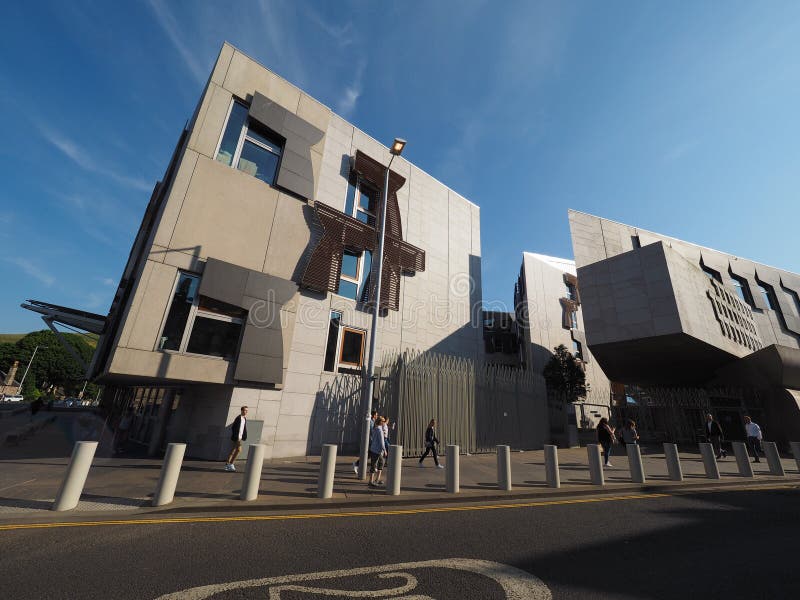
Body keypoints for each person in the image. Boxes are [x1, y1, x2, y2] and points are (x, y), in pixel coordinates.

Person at [354, 410, 379, 475]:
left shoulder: (373, 422)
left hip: (371, 440)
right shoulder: (370, 422)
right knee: (370, 454)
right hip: (370, 441)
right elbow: (371, 431)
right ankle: (357, 464)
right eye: (376, 415)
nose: (377, 416)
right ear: (373, 415)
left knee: (369, 455)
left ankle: (373, 466)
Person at [225, 406, 248, 471]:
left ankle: (227, 465)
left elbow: (243, 428)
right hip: (237, 438)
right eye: (245, 410)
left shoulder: (244, 418)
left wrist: (244, 436)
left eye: (247, 411)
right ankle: (231, 464)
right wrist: (236, 437)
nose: (246, 412)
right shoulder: (238, 418)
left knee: (233, 450)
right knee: (239, 450)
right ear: (242, 411)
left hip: (240, 438)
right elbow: (234, 428)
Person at [368, 416, 387, 487]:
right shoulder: (379, 430)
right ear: (381, 422)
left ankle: (377, 479)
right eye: (383, 421)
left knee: (381, 463)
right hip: (377, 450)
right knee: (374, 465)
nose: (384, 422)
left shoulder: (375, 428)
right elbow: (382, 442)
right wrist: (384, 450)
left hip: (374, 449)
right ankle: (371, 481)